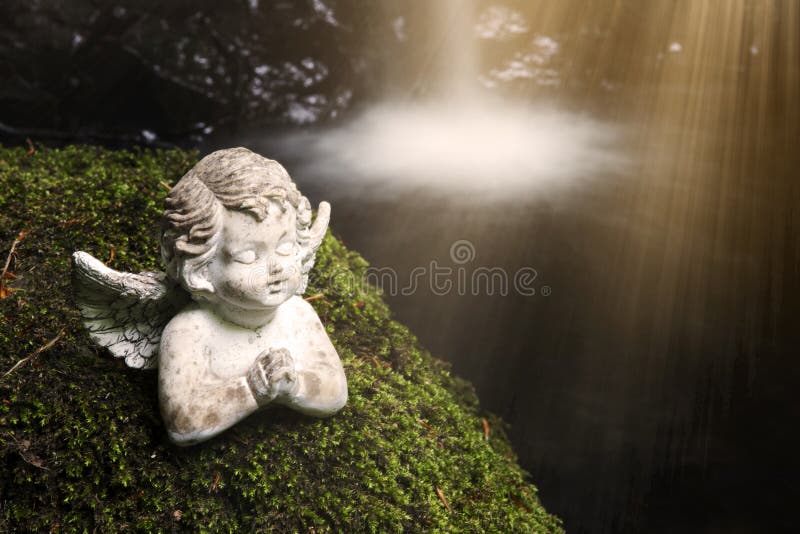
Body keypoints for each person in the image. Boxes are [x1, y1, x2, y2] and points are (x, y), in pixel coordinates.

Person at [157, 148, 347, 446]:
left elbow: (335, 391)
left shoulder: (298, 315)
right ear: (200, 269)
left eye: (285, 248)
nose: (276, 268)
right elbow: (182, 421)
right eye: (248, 255)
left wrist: (295, 385)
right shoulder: (189, 332)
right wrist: (251, 389)